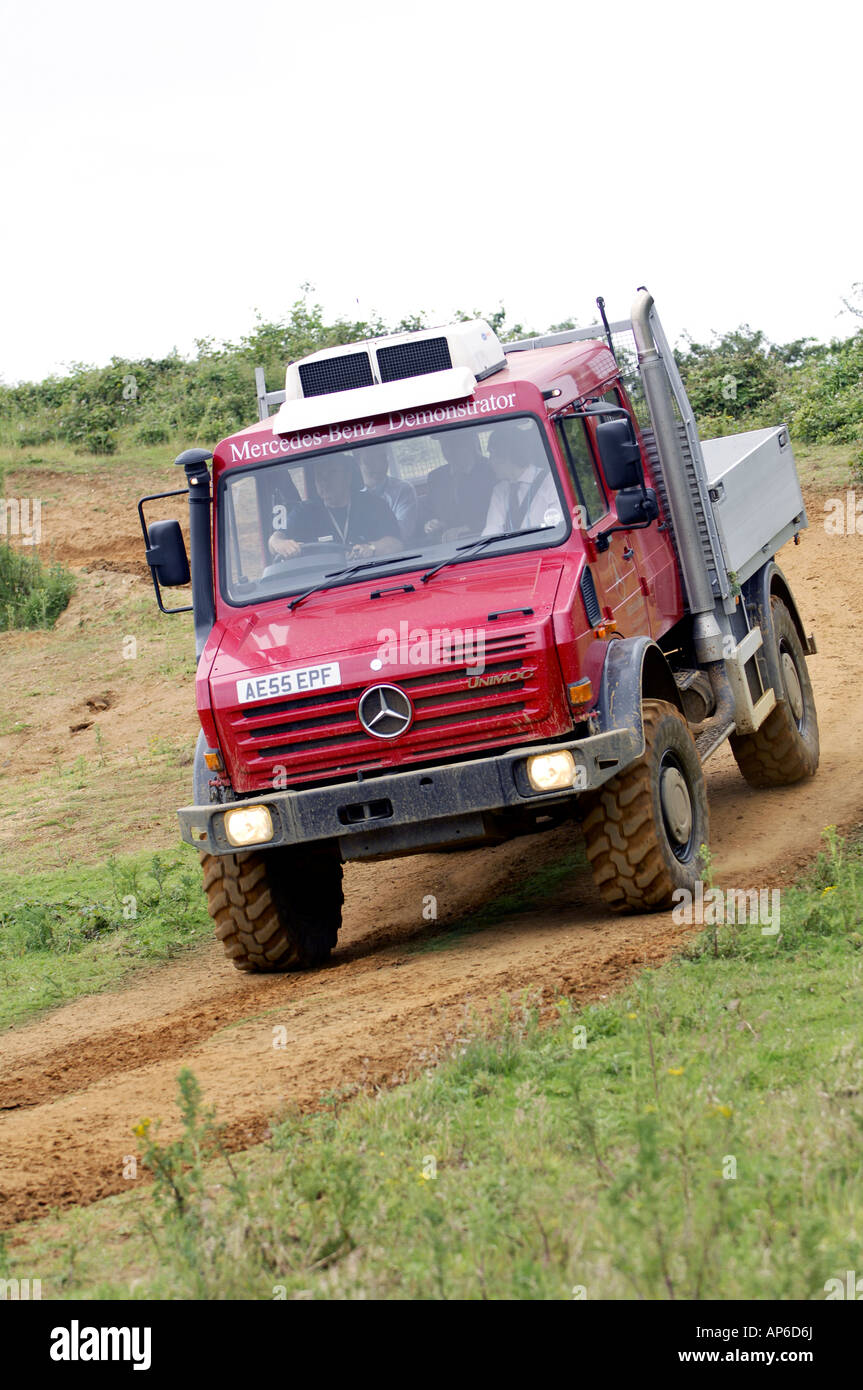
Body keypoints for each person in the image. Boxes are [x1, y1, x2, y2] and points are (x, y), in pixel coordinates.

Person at [268, 455, 401, 561]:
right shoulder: (304, 511)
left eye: (331, 473)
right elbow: (274, 540)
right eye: (319, 475)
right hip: (321, 585)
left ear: (348, 477)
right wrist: (280, 544)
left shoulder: (374, 505)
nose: (324, 480)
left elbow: (396, 544)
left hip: (371, 576)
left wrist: (372, 548)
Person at [482, 425, 562, 535]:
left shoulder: (550, 482)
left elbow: (560, 527)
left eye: (492, 455)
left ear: (506, 456)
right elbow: (492, 530)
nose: (489, 462)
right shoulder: (499, 491)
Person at [423, 429, 495, 541]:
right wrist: (431, 523)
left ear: (471, 443)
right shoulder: (436, 477)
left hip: (485, 540)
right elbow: (429, 511)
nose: (448, 452)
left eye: (455, 444)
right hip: (446, 544)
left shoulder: (491, 470)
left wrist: (465, 529)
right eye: (444, 446)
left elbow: (498, 513)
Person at [358, 443, 418, 543]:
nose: (378, 466)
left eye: (382, 458)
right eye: (369, 461)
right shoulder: (350, 495)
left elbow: (402, 533)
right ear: (357, 464)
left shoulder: (403, 490)